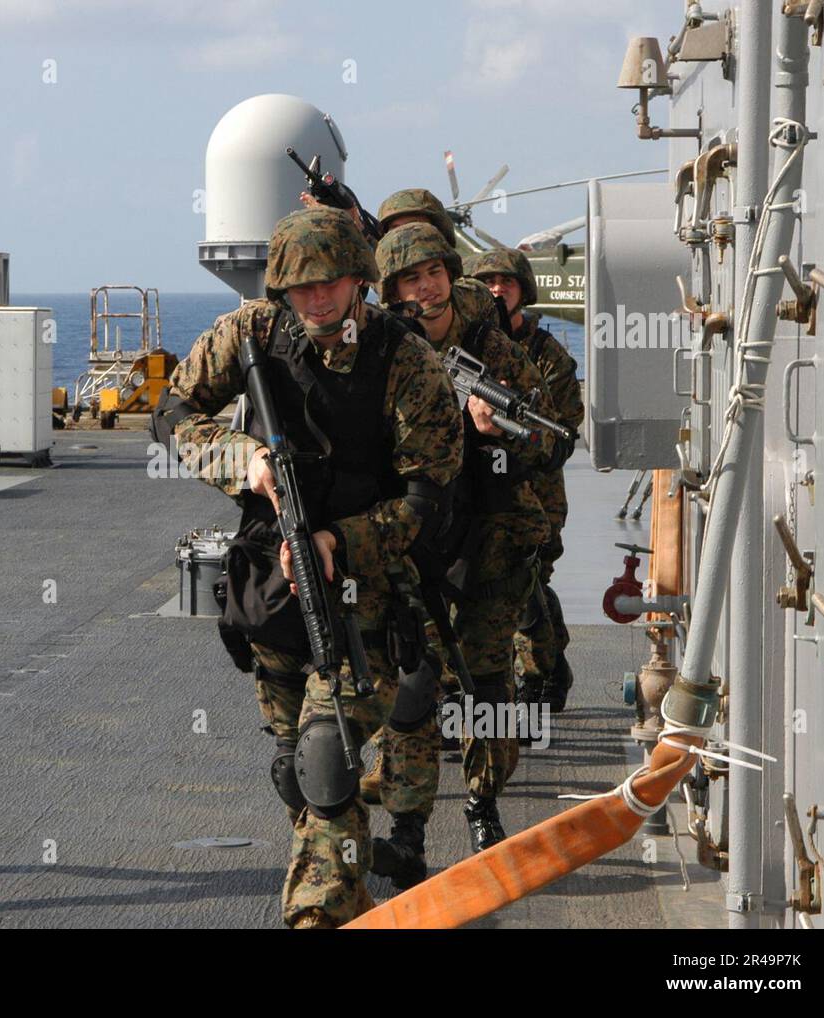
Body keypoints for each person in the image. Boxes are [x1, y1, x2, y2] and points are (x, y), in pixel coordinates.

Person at [151, 207, 462, 927]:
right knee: (298, 769)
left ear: (359, 281)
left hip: (367, 591)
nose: (317, 303)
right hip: (269, 579)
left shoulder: (405, 361)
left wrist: (341, 542)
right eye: (301, 290)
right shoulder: (251, 332)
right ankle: (349, 873)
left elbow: (429, 498)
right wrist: (243, 459)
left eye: (331, 286)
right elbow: (171, 413)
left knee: (328, 761)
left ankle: (318, 913)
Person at [368, 223, 558, 870]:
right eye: (410, 280)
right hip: (418, 541)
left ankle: (482, 803)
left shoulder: (493, 349)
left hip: (495, 543)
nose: (426, 288)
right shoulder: (386, 350)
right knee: (415, 686)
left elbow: (552, 441)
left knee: (486, 688)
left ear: (451, 274)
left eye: (434, 273)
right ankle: (408, 830)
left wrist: (500, 433)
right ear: (394, 291)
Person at [468, 248, 584, 712]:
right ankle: (539, 672)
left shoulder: (548, 356)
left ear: (523, 291)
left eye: (507, 282)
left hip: (535, 492)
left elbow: (564, 432)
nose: (497, 289)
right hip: (476, 489)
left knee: (527, 585)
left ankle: (543, 673)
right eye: (488, 282)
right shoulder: (468, 344)